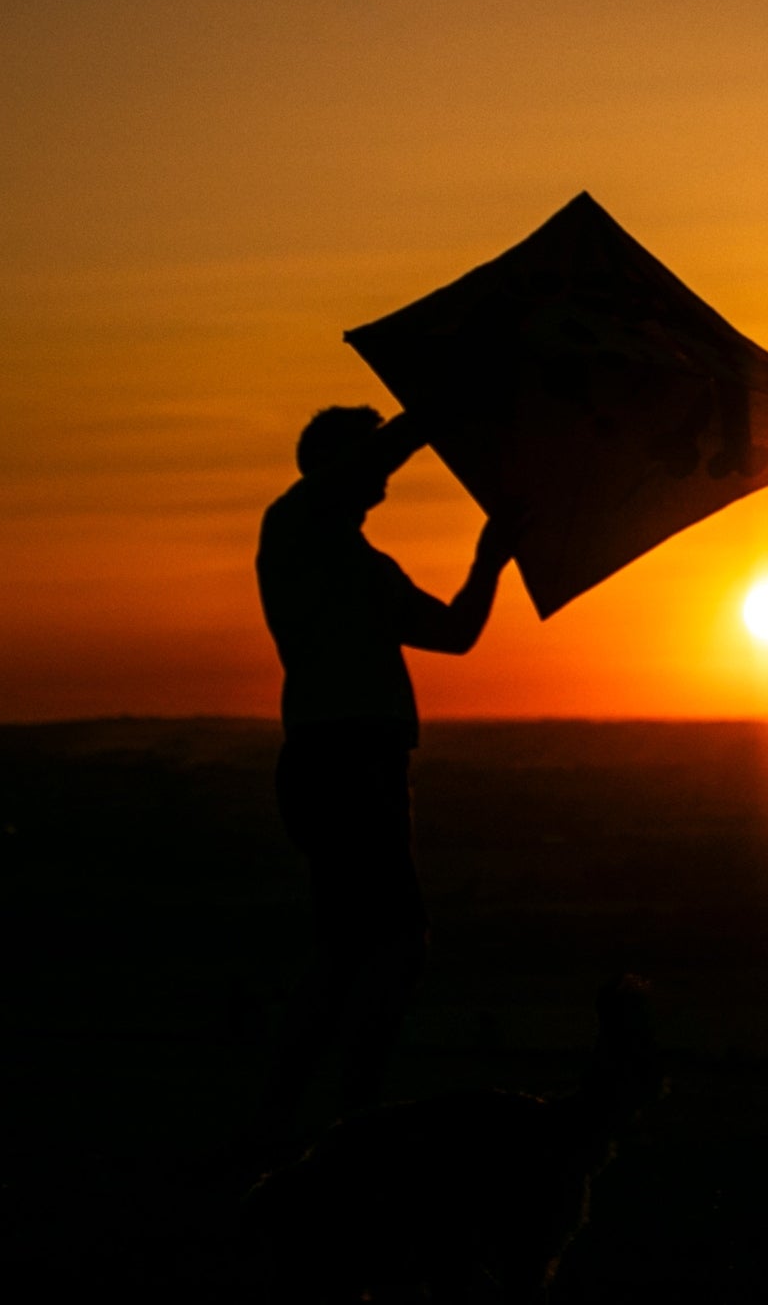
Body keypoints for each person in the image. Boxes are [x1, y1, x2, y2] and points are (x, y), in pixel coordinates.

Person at [253, 404, 513, 1134]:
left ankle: (301, 1117)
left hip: (358, 760)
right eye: (366, 455)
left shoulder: (360, 564)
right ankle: (346, 1115)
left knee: (352, 951)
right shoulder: (295, 524)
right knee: (392, 943)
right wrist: (436, 400)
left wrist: (487, 561)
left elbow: (455, 635)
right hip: (343, 760)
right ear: (337, 464)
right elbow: (380, 455)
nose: (380, 470)